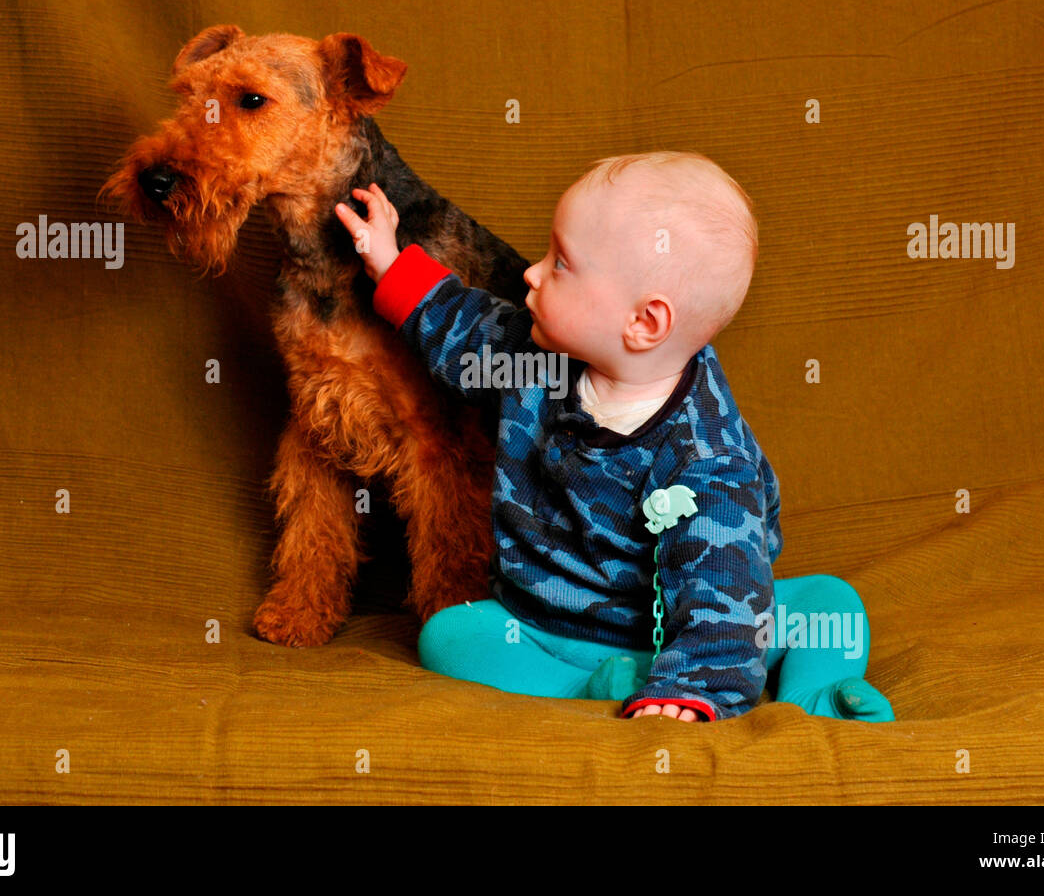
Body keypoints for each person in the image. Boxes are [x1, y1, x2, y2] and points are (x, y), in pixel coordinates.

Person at [334, 153, 894, 722]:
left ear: (644, 323)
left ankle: (817, 695)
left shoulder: (707, 456)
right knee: (451, 634)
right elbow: (467, 331)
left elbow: (724, 592)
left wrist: (689, 693)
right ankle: (590, 686)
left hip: (680, 626)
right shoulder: (537, 360)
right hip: (541, 627)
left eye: (561, 264)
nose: (532, 273)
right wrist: (391, 264)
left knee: (831, 607)